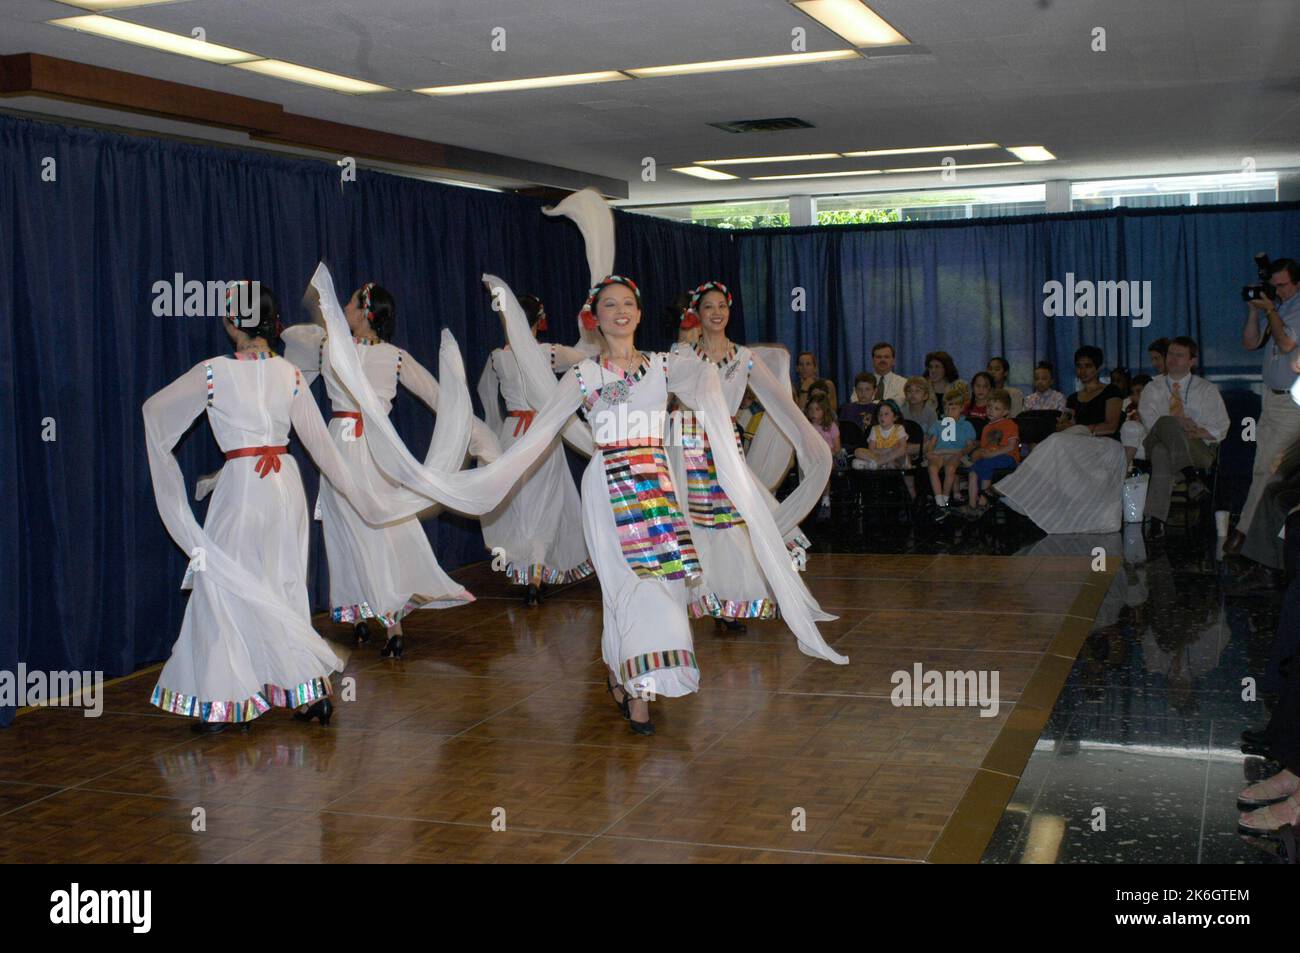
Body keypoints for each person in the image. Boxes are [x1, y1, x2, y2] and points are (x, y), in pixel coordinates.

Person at [317, 263, 847, 736]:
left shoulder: (668, 366)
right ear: (594, 317)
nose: (620, 313)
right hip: (608, 484)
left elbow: (718, 379)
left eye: (628, 305)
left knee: (661, 582)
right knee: (622, 586)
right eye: (609, 305)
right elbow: (541, 431)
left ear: (639, 314)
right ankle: (635, 687)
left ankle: (630, 676)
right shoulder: (583, 375)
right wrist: (483, 465)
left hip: (657, 486)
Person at [143, 284, 436, 732]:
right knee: (283, 584)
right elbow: (321, 446)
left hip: (243, 486)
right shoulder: (289, 374)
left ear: (231, 322)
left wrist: (169, 476)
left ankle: (227, 700)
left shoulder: (211, 373)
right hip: (285, 484)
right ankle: (310, 691)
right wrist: (365, 495)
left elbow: (154, 411)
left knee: (224, 583)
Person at [281, 283, 501, 659]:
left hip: (375, 450)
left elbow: (440, 398)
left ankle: (390, 620)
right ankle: (362, 614)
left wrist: (482, 441)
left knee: (378, 529)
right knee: (344, 529)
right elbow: (290, 367)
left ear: (367, 311)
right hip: (340, 447)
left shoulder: (391, 356)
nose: (345, 308)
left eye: (350, 303)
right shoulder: (329, 345)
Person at [666, 280, 832, 630]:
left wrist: (809, 440)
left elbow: (780, 403)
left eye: (721, 307)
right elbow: (666, 396)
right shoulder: (682, 354)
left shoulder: (743, 358)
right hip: (687, 444)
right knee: (691, 523)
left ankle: (727, 599)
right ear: (697, 312)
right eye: (708, 307)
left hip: (724, 446)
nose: (716, 313)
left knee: (730, 523)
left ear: (729, 311)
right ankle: (695, 598)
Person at [476, 292, 593, 607]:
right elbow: (588, 363)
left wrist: (492, 431)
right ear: (539, 322)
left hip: (512, 435)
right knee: (545, 505)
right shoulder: (548, 353)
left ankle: (529, 570)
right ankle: (536, 572)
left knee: (521, 505)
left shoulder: (497, 357)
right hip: (541, 435)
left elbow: (486, 396)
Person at [993, 346, 1128, 533]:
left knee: (1058, 441)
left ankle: (1014, 485)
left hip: (1106, 445)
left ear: (1097, 368)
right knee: (1056, 440)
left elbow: (1111, 426)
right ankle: (1030, 497)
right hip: (1079, 443)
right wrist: (1065, 426)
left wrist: (1080, 429)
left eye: (1088, 366)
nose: (1083, 371)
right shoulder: (1073, 398)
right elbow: (1067, 423)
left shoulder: (1111, 391)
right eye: (1079, 366)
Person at [1226, 258, 1300, 556]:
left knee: (1269, 472)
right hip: (1271, 398)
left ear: (1297, 283)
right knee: (1263, 469)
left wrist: (1270, 310)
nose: (1277, 290)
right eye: (1274, 285)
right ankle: (1255, 539)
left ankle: (1245, 536)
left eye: (1282, 285)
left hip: (1292, 401)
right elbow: (1250, 343)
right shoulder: (1281, 307)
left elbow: (1286, 346)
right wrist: (1254, 314)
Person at [1139, 337, 1229, 532]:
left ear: (1192, 361)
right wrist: (1178, 423)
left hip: (1196, 446)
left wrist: (1197, 431)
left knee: (1163, 453)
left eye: (1179, 355)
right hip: (1157, 439)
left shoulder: (1206, 389)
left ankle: (1157, 521)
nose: (1172, 359)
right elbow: (1150, 422)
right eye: (1170, 354)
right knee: (1166, 422)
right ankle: (1191, 477)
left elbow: (1222, 426)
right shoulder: (1152, 387)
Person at [963, 390, 1019, 516]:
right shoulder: (986, 428)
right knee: (973, 470)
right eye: (989, 407)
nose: (990, 410)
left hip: (1008, 458)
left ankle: (984, 501)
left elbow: (1011, 447)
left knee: (987, 464)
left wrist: (991, 454)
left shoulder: (1010, 424)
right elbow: (985, 449)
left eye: (996, 408)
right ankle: (972, 505)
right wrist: (977, 455)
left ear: (1006, 412)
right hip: (990, 459)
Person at [926, 389, 976, 520]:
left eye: (953, 408)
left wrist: (962, 452)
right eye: (946, 408)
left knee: (950, 469)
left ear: (961, 408)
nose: (948, 412)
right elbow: (932, 442)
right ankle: (940, 502)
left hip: (956, 454)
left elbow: (970, 445)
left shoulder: (966, 425)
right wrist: (929, 452)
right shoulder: (939, 424)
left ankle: (946, 499)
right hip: (939, 454)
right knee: (932, 468)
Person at [853, 399, 908, 470]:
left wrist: (890, 453)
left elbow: (903, 448)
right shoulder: (874, 429)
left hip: (893, 456)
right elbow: (871, 449)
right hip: (878, 455)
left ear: (895, 417)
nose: (882, 417)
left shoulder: (899, 428)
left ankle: (876, 464)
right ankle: (881, 463)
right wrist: (888, 450)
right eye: (880, 414)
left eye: (886, 414)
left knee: (901, 453)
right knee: (857, 451)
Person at [1120, 374, 1153, 468]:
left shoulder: (1156, 405)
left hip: (1144, 442)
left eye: (1138, 391)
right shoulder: (1126, 403)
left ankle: (1125, 470)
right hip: (1125, 441)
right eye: (1132, 392)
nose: (1135, 395)